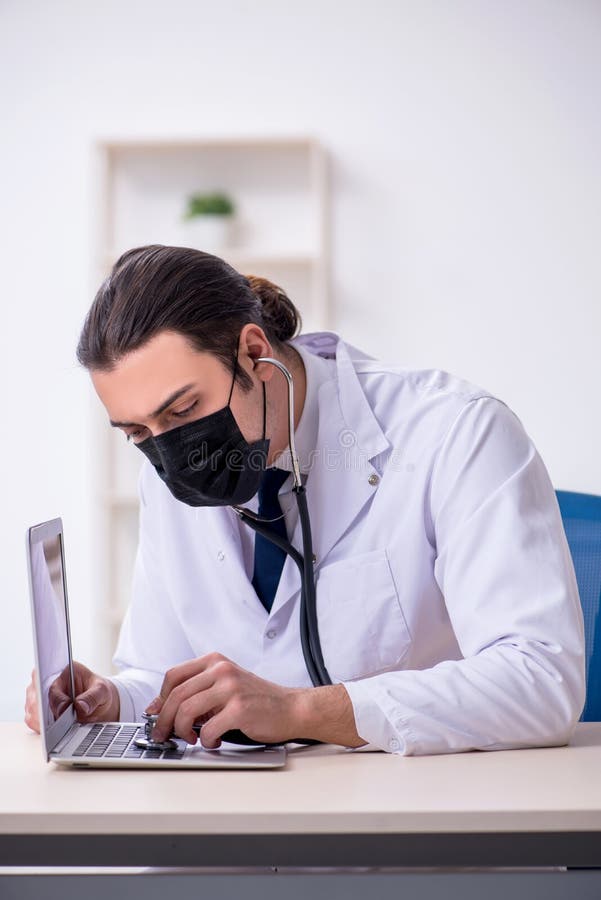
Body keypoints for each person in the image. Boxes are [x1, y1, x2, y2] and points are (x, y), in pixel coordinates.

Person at [24, 245, 586, 755]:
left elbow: (540, 679)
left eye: (183, 411)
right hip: (240, 833)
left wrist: (299, 712)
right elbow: (163, 670)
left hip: (413, 832)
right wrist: (111, 699)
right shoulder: (169, 479)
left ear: (252, 351)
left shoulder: (454, 433)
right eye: (139, 434)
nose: (171, 454)